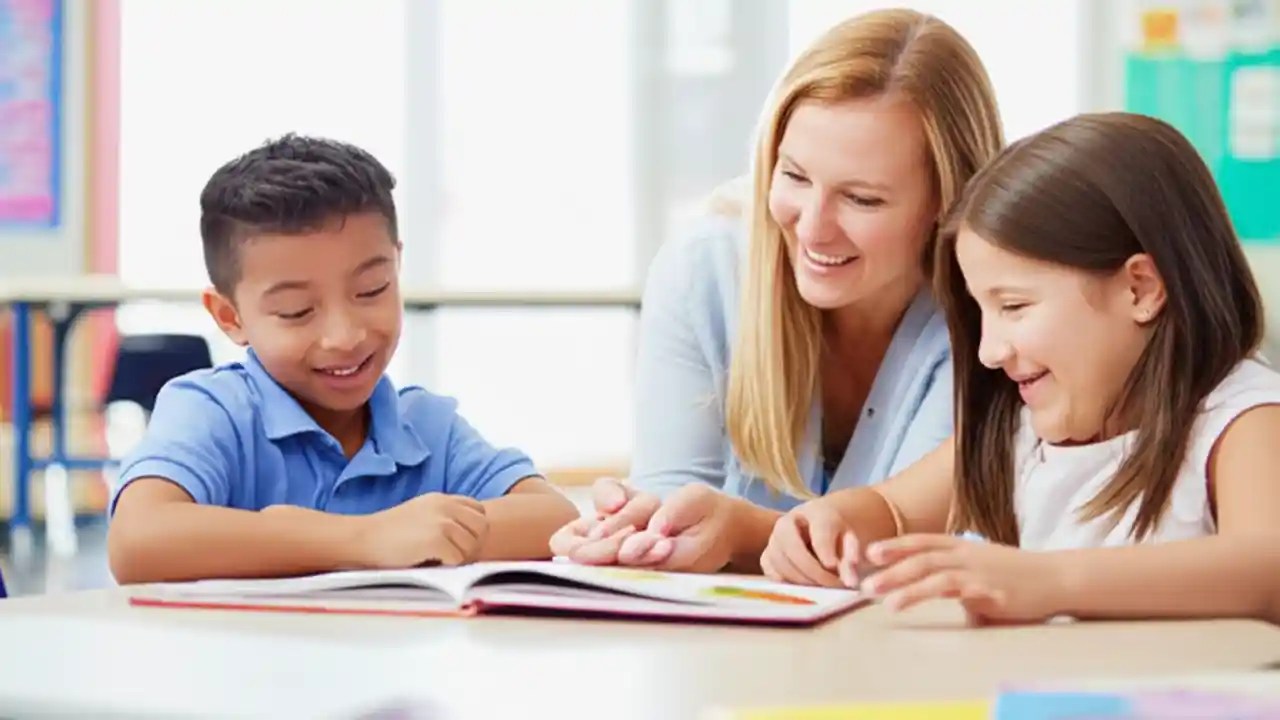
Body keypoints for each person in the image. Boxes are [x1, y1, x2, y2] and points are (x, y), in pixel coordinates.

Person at [761, 112, 1280, 625]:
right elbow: (890, 511)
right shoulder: (1019, 430)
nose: (989, 350)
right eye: (981, 310)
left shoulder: (1240, 419)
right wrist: (830, 524)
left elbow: (1266, 567)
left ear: (1140, 289)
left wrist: (1050, 582)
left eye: (1013, 307)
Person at [551, 8, 1004, 572]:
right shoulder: (705, 274)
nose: (812, 228)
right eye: (794, 176)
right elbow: (671, 502)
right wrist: (638, 532)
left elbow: (911, 551)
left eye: (862, 199)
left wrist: (742, 534)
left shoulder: (998, 321)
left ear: (948, 203)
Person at [108, 135, 578, 584]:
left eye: (371, 290)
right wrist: (365, 538)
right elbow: (138, 540)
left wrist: (431, 535)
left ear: (396, 265)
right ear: (231, 317)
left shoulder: (426, 425)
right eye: (297, 311)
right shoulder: (214, 411)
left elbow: (552, 518)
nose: (345, 336)